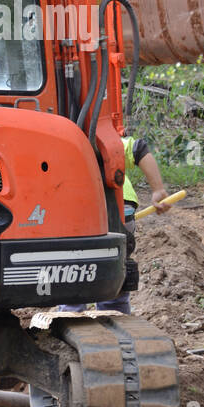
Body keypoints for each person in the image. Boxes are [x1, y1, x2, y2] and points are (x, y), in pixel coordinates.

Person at [58, 134, 173, 315]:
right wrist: (158, 189)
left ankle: (70, 317)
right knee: (115, 267)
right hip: (120, 207)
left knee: (71, 268)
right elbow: (139, 148)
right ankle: (115, 316)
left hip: (80, 210)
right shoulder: (99, 139)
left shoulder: (56, 142)